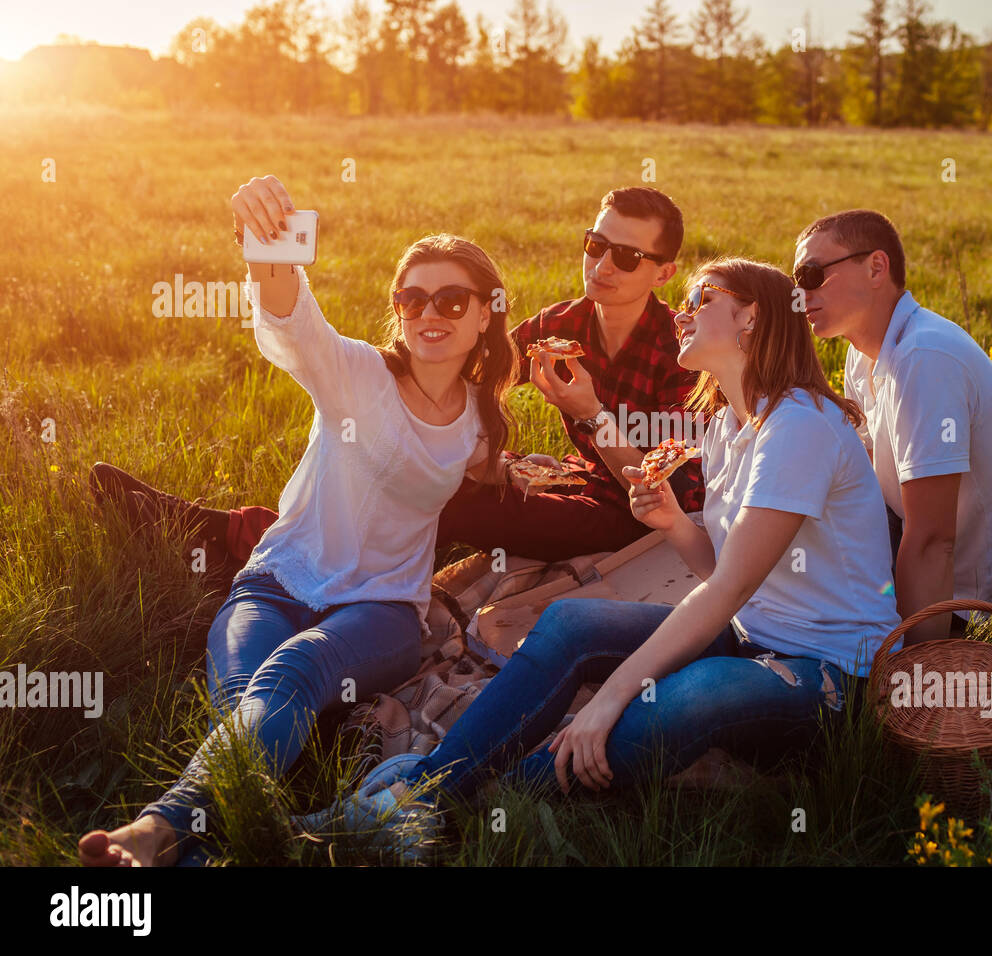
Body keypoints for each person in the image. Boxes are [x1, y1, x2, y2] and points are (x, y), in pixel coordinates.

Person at [340, 257, 903, 821]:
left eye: (700, 302)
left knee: (685, 697)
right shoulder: (729, 424)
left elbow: (728, 588)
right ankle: (429, 791)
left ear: (750, 318)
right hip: (752, 635)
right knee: (568, 622)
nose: (681, 318)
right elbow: (721, 569)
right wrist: (676, 522)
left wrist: (609, 697)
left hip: (831, 674)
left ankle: (452, 811)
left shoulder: (799, 425)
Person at [78, 174, 519, 866]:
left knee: (292, 674)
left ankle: (156, 828)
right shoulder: (355, 375)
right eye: (412, 298)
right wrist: (265, 241)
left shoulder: (482, 426)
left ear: (484, 313)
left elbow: (498, 483)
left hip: (381, 610)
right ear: (397, 310)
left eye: (452, 299)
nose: (429, 312)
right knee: (247, 711)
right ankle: (227, 849)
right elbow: (291, 312)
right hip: (276, 584)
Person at [88, 187, 703, 578]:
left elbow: (670, 492)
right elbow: (466, 367)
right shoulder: (563, 323)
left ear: (664, 271)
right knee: (400, 458)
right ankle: (258, 536)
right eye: (596, 245)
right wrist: (377, 396)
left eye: (626, 257)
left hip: (634, 510)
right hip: (574, 475)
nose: (601, 265)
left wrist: (593, 415)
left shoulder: (684, 350)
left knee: (445, 499)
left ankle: (225, 534)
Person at [794, 209, 992, 645]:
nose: (801, 294)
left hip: (959, 604)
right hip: (913, 556)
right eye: (796, 281)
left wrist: (913, 669)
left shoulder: (924, 355)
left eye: (812, 274)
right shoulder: (864, 353)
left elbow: (932, 538)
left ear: (876, 267)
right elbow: (866, 476)